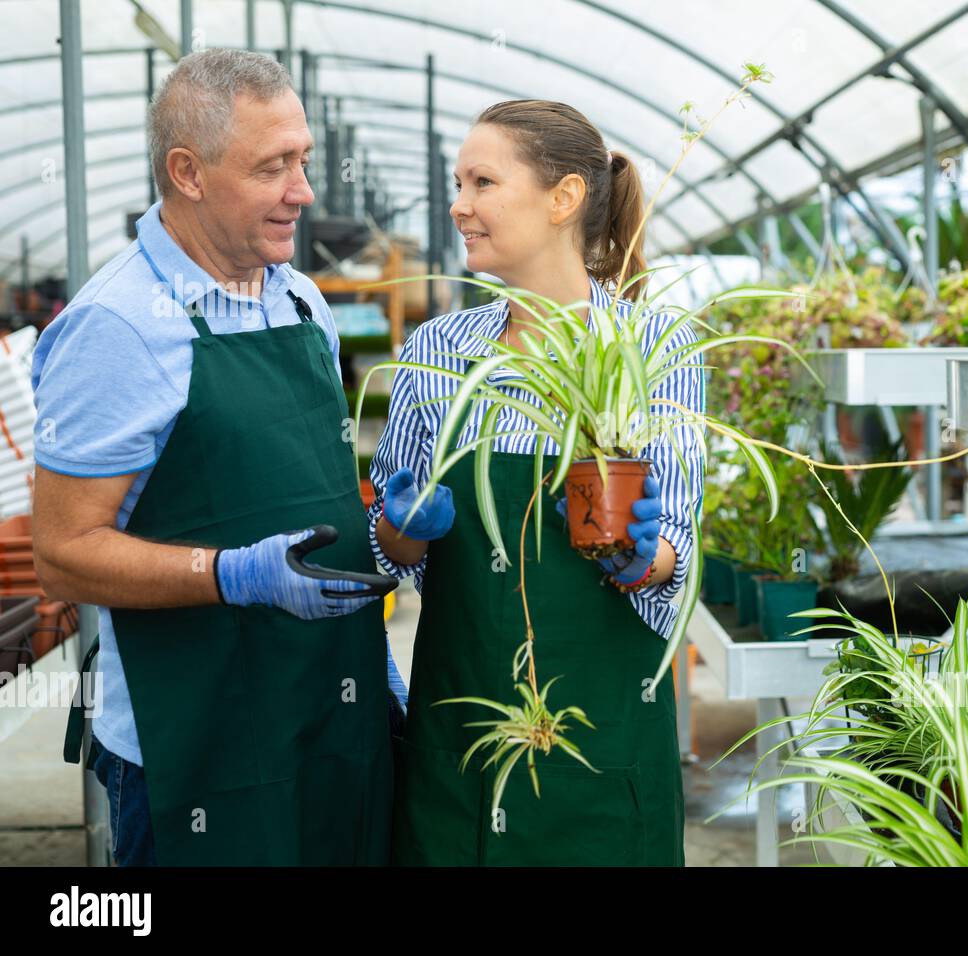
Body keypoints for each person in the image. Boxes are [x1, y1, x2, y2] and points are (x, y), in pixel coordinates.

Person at [30, 49, 450, 866]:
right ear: (187, 171)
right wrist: (234, 576)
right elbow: (63, 555)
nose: (303, 191)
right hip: (195, 749)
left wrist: (384, 529)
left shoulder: (300, 298)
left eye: (303, 160)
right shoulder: (117, 328)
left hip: (333, 719)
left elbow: (304, 506)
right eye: (272, 167)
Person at [370, 99, 704, 866]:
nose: (459, 206)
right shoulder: (439, 351)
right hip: (461, 750)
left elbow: (675, 553)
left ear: (564, 199)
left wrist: (637, 556)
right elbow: (387, 555)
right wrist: (400, 527)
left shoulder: (654, 347)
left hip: (602, 750)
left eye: (483, 182)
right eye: (458, 183)